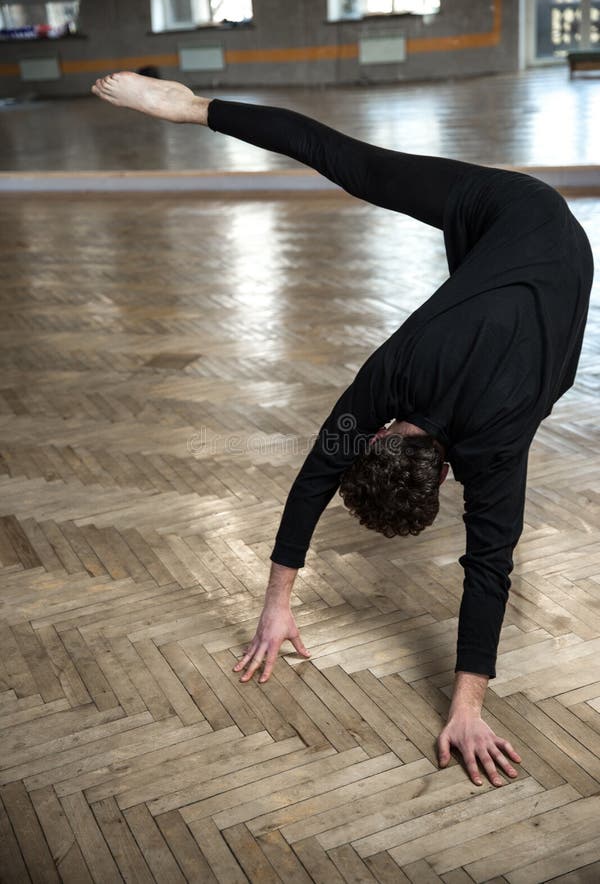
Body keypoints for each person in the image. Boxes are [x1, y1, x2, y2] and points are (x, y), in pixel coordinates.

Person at [92, 71, 593, 788]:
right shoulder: (400, 383)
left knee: (357, 167)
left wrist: (467, 707)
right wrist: (276, 606)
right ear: (388, 438)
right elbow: (319, 476)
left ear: (444, 473)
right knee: (350, 161)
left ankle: (192, 108)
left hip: (534, 234)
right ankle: (195, 108)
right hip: (525, 227)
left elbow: (490, 567)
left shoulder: (491, 449)